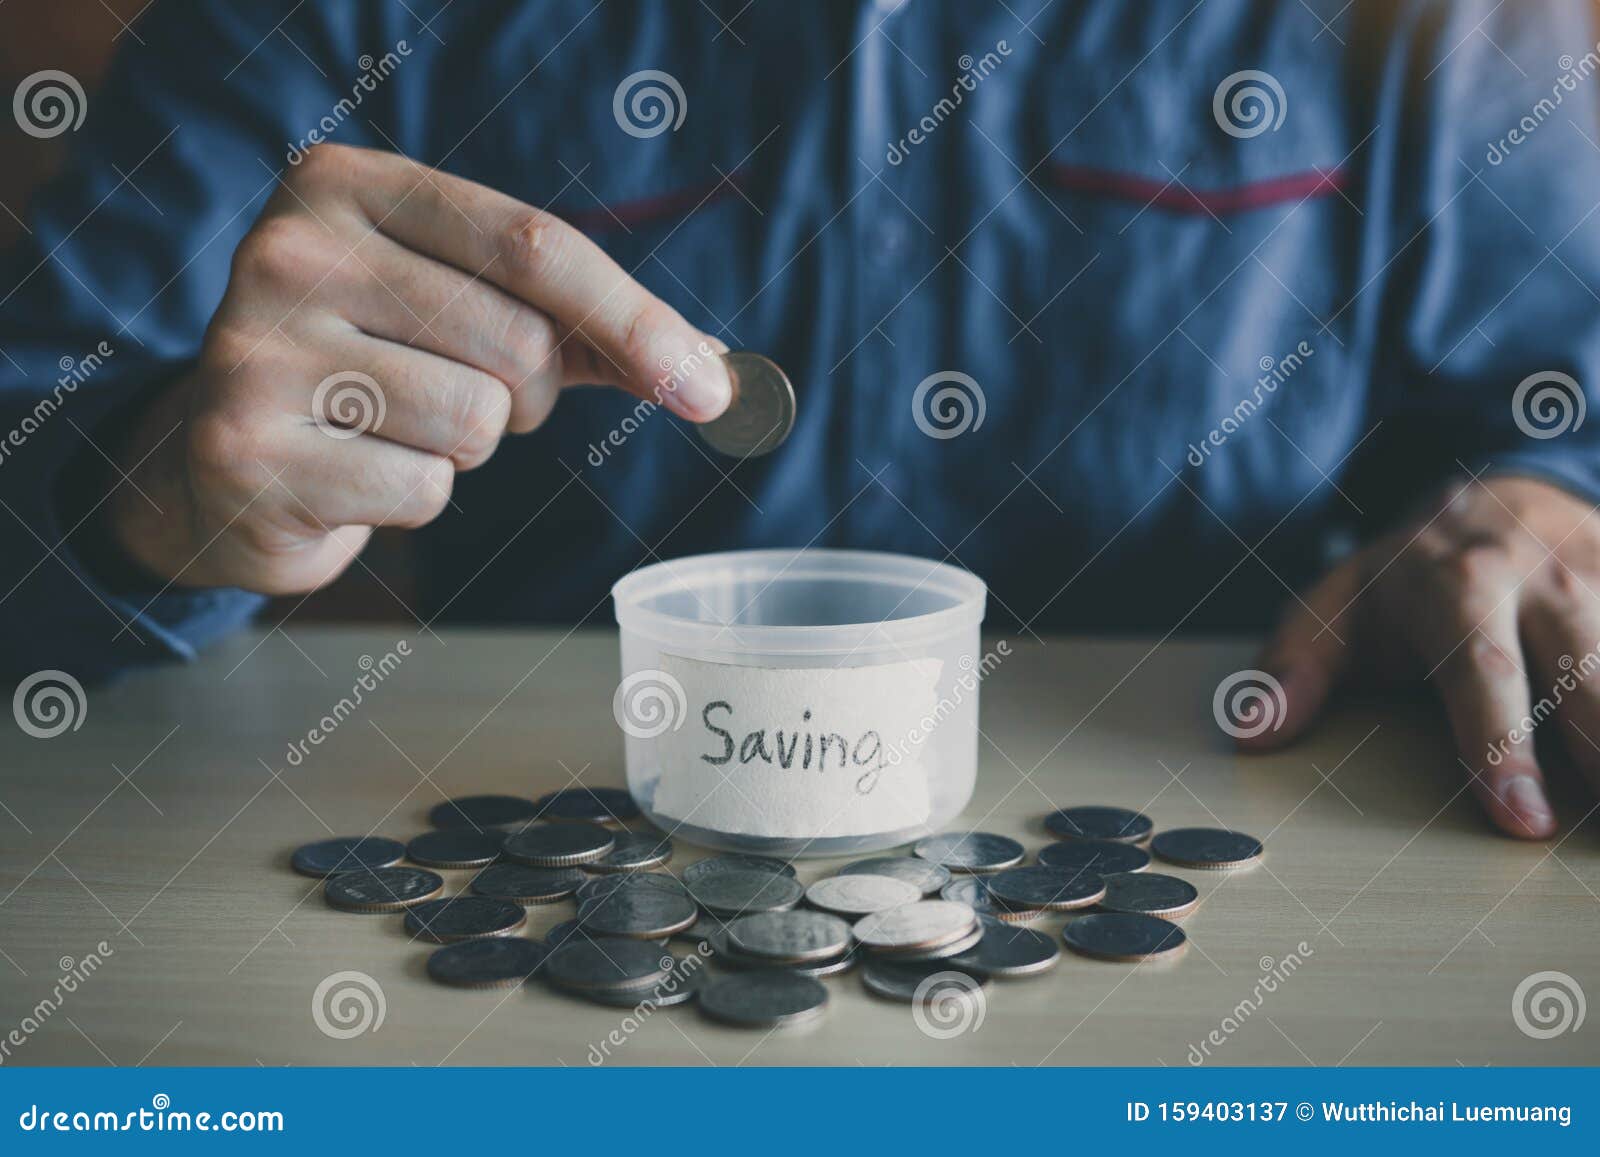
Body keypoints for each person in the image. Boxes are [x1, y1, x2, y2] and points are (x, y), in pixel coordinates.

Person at [2, 0, 1598, 842]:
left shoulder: (1445, 22)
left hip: (1225, 885)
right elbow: (31, 448)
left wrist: (1535, 507)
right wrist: (144, 488)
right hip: (569, 899)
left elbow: (1565, 414)